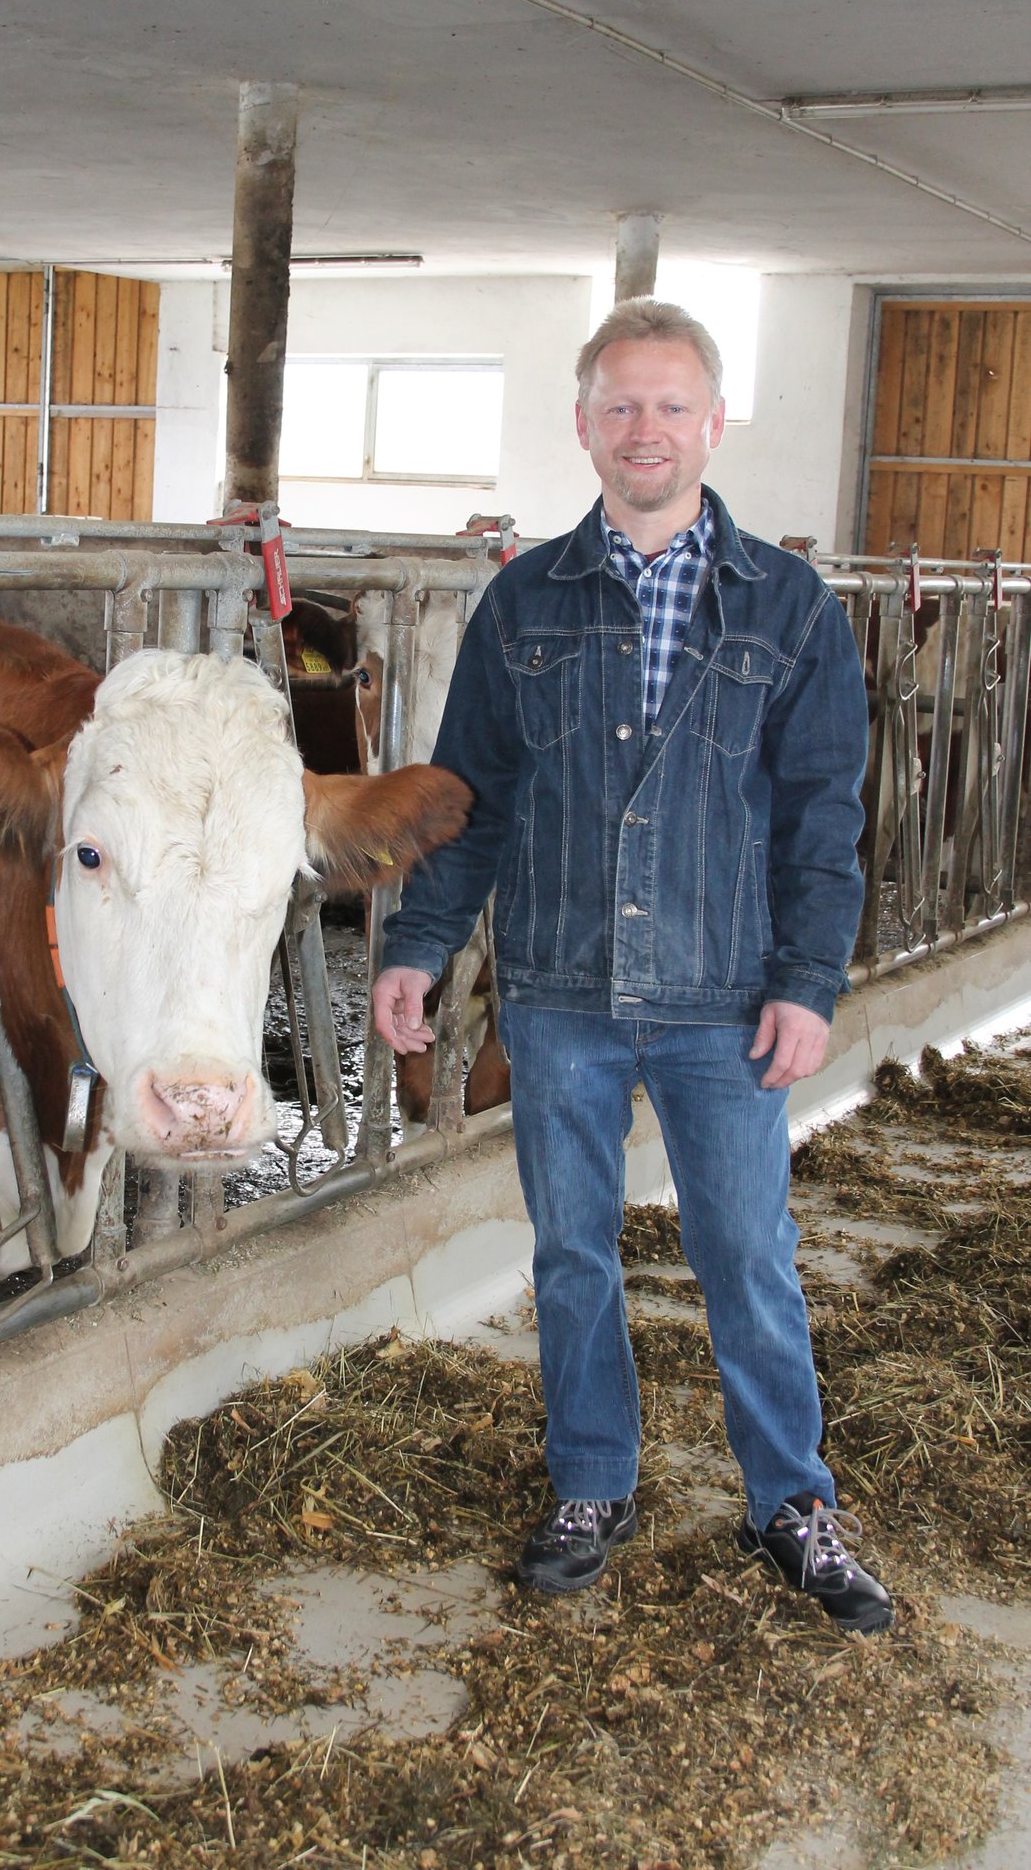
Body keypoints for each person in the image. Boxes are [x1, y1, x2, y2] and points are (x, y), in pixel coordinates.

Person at [372, 298, 893, 1635]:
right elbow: (469, 795)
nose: (644, 430)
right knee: (569, 1256)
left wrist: (806, 979)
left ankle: (790, 1499)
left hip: (725, 995)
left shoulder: (787, 607)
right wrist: (421, 945)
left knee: (746, 1254)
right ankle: (591, 1481)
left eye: (670, 407)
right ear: (583, 425)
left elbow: (821, 814)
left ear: (712, 424)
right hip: (558, 989)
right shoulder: (522, 599)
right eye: (620, 406)